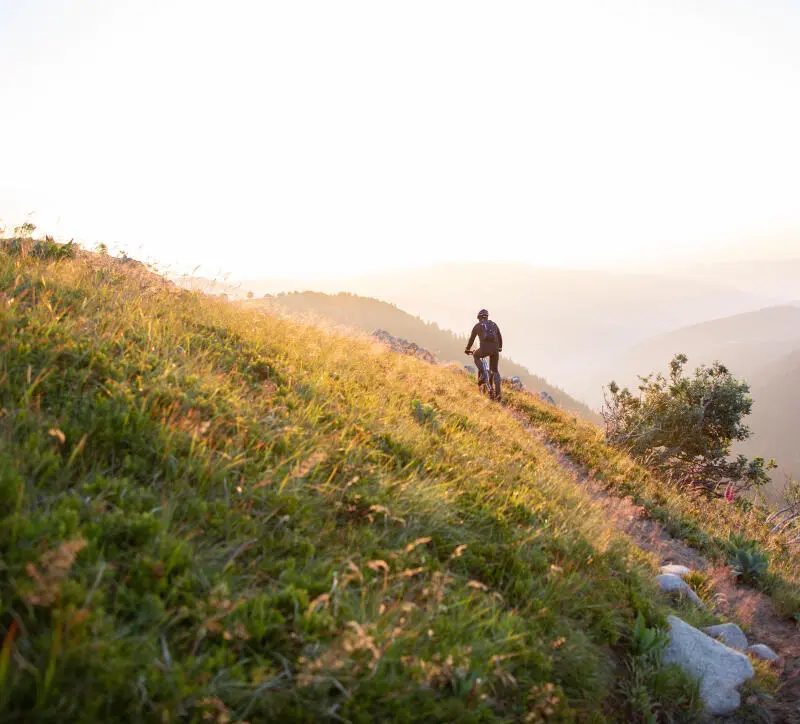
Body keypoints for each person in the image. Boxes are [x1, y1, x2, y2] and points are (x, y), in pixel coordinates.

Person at [465, 309, 503, 400]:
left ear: (479, 318)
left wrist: (467, 349)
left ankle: (483, 374)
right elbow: (499, 337)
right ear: (487, 317)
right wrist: (500, 348)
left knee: (476, 355)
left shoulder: (477, 326)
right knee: (495, 370)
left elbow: (471, 339)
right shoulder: (494, 325)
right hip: (495, 350)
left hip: (484, 349)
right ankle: (498, 394)